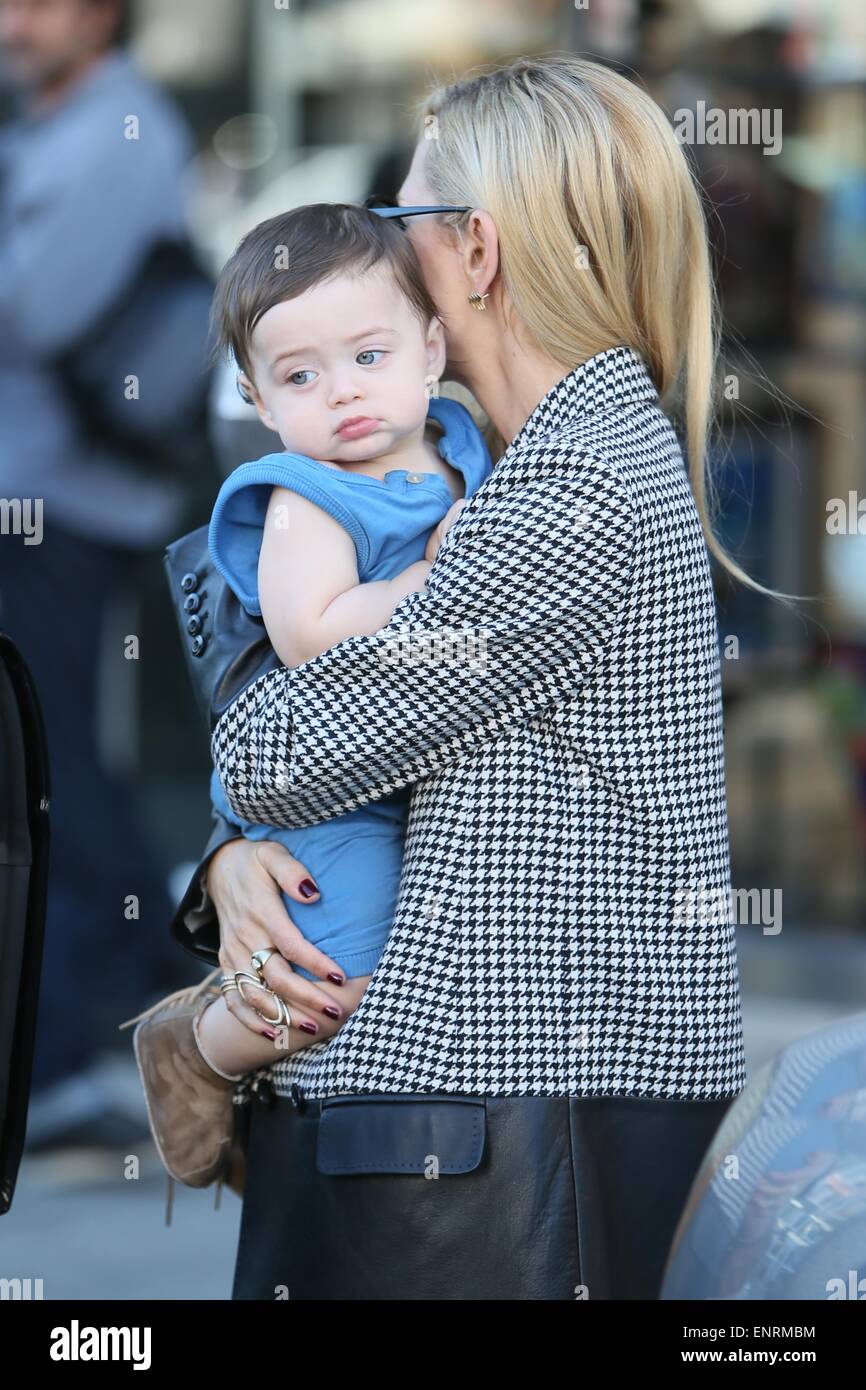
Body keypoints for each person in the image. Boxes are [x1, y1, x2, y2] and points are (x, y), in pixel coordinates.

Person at [174, 54, 754, 1300]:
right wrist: (230, 861)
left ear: (475, 253)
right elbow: (338, 726)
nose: (377, 252)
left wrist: (237, 816)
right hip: (476, 1119)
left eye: (400, 220)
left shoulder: (568, 495)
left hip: (499, 1139)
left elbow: (282, 750)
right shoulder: (493, 459)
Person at [187, 202, 492, 1076]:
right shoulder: (305, 499)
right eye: (300, 377)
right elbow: (310, 636)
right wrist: (417, 583)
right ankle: (200, 1053)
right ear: (257, 398)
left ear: (430, 351)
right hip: (329, 797)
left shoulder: (460, 444)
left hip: (417, 773)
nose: (345, 390)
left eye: (369, 357)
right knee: (342, 980)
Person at [0, 0, 199, 1144]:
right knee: (58, 763)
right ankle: (129, 979)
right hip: (37, 500)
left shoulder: (125, 130)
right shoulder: (44, 128)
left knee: (52, 766)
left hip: (63, 511)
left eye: (43, 3)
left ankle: (65, 1052)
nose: (17, 23)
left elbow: (36, 302)